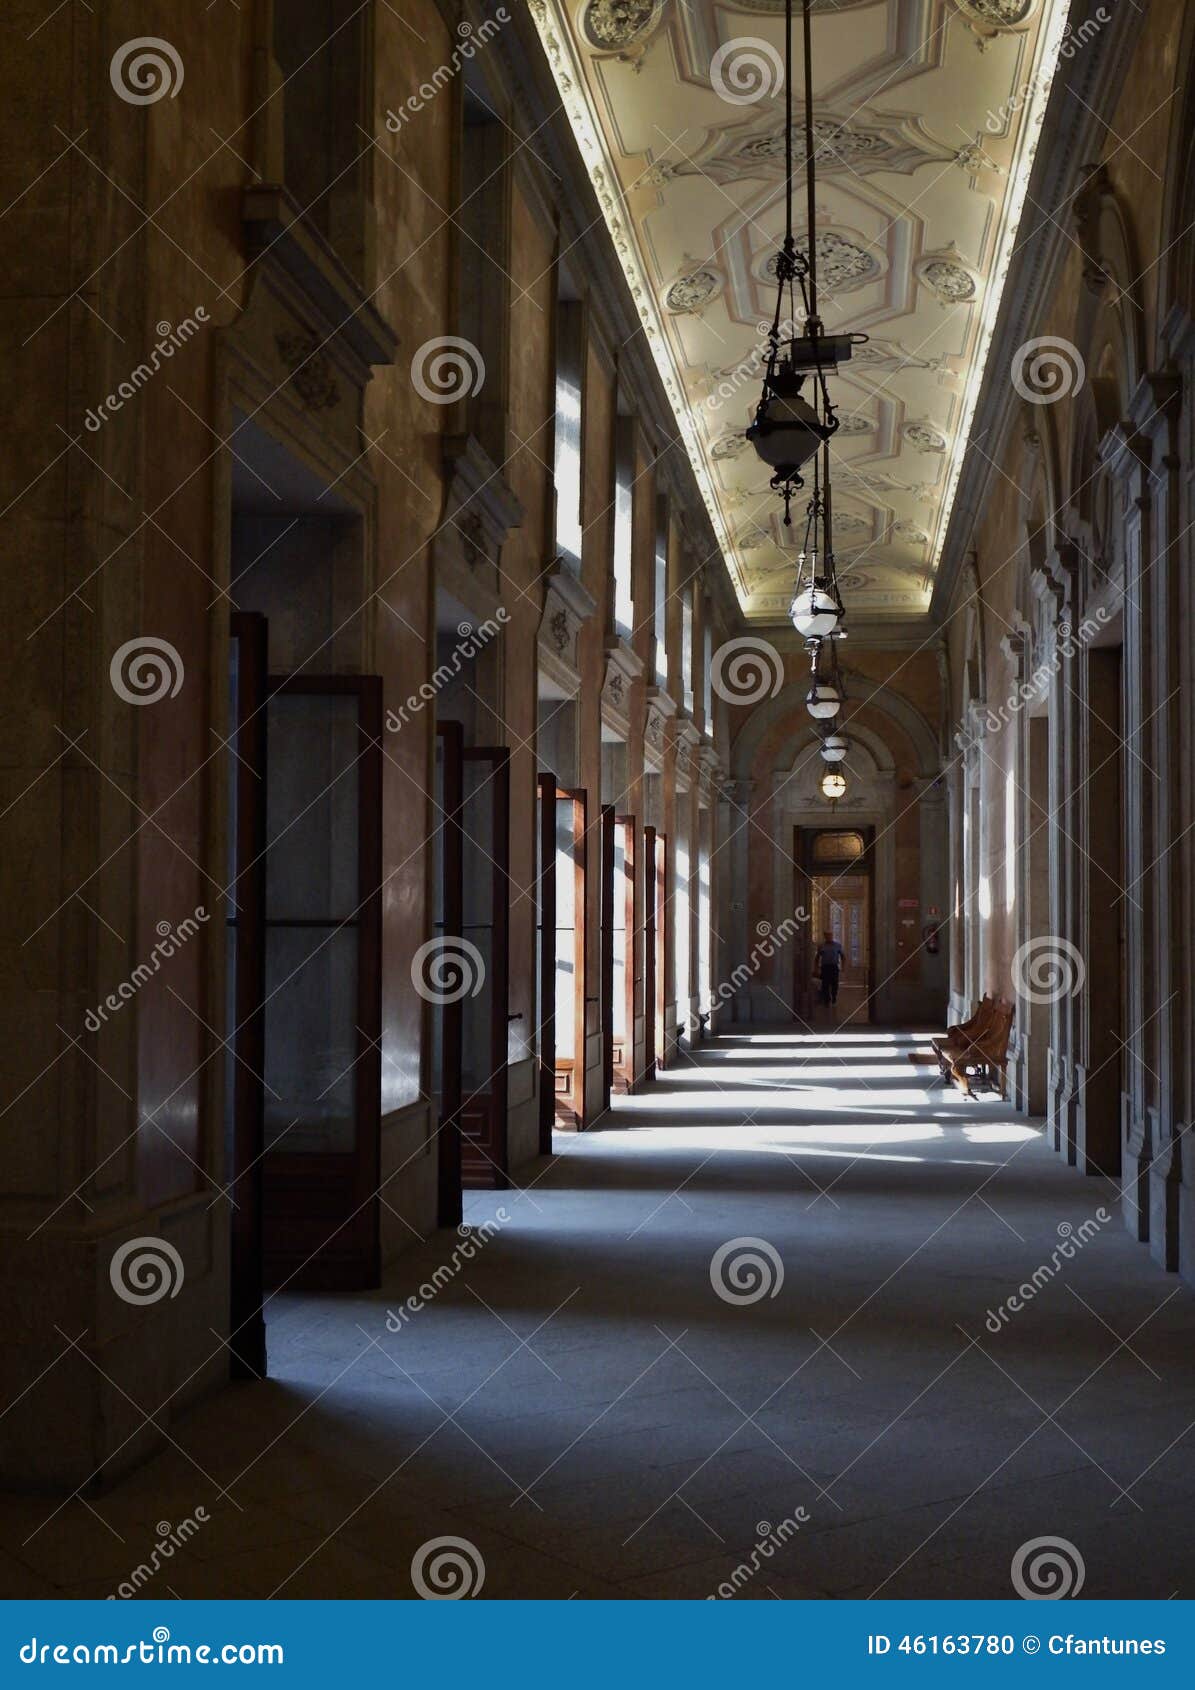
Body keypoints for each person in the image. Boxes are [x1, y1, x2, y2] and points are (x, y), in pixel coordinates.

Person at [816, 930, 844, 1007]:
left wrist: (843, 967)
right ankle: (827, 1000)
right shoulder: (822, 946)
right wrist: (816, 968)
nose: (829, 937)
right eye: (827, 936)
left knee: (835, 983)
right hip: (825, 967)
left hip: (834, 967)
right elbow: (817, 957)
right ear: (825, 937)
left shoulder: (837, 945)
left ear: (832, 936)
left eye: (830, 935)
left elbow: (842, 956)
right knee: (825, 984)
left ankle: (834, 998)